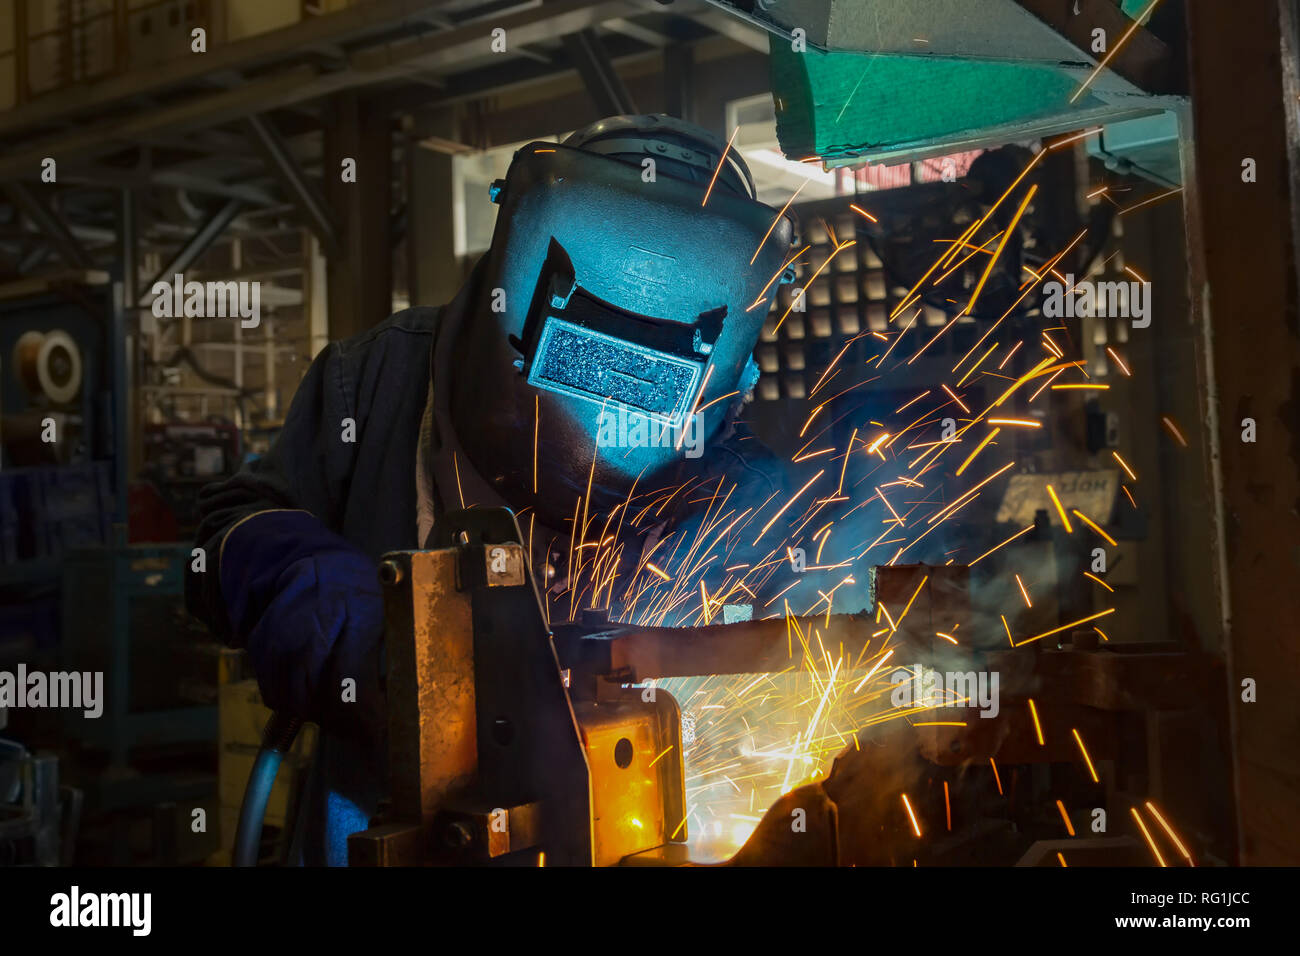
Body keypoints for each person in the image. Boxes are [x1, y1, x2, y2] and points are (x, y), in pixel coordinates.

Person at [186, 114, 802, 865]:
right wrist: (371, 642)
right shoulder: (377, 380)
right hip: (383, 827)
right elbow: (227, 542)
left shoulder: (734, 476)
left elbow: (797, 667)